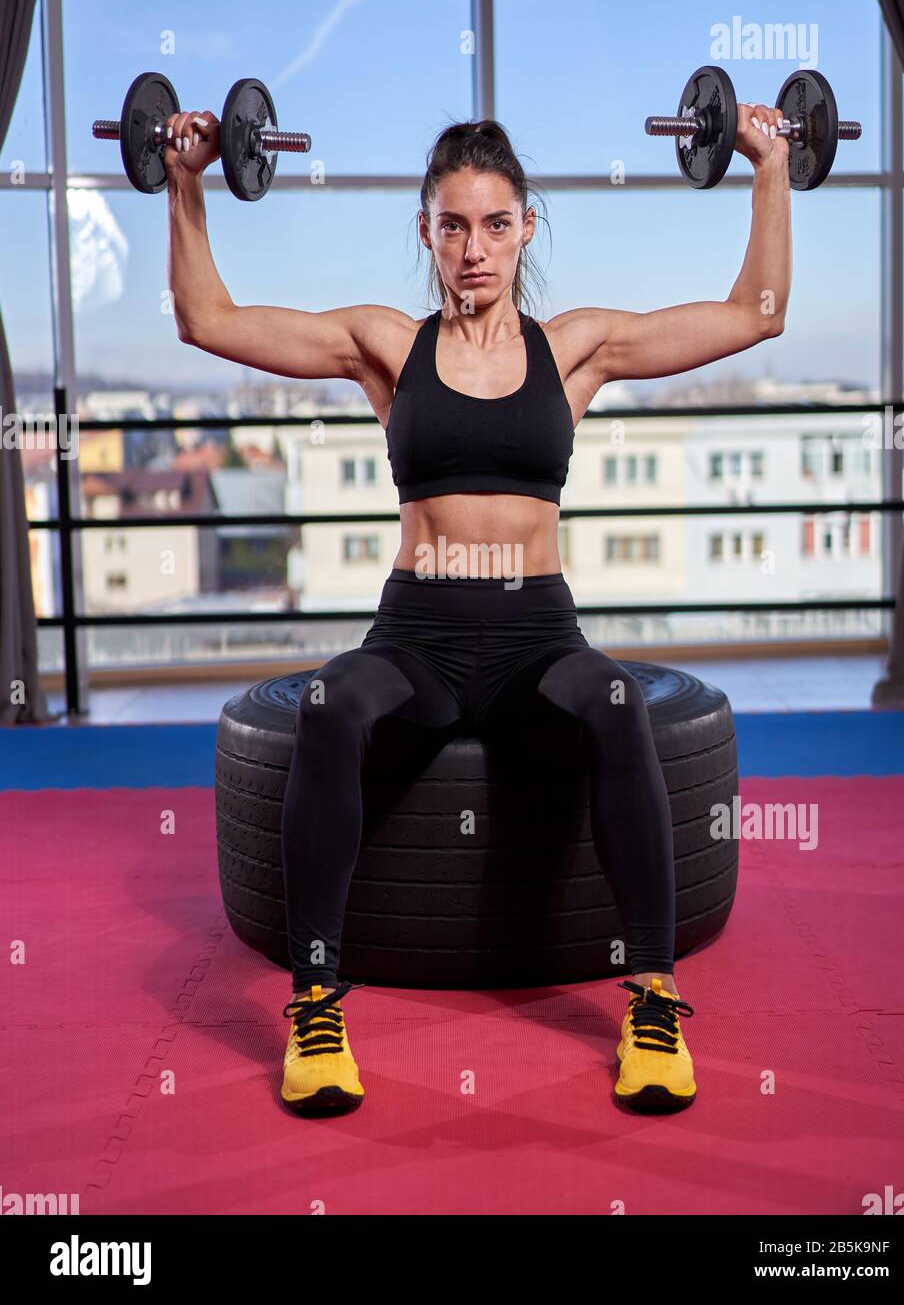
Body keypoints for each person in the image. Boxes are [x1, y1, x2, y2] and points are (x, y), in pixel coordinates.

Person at [164, 100, 791, 1116]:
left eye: (496, 224)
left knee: (622, 704)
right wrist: (186, 181)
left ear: (527, 227)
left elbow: (755, 313)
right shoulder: (387, 346)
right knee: (329, 706)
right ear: (426, 231)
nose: (473, 249)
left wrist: (770, 164)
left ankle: (653, 999)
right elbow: (209, 321)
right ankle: (317, 1006)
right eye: (453, 225)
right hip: (415, 636)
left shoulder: (576, 349)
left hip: (538, 638)